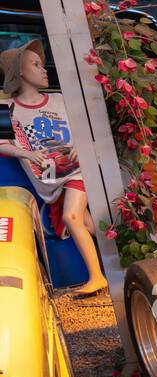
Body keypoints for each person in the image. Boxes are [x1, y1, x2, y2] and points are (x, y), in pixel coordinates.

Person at [0, 40, 108, 296]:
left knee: (72, 217)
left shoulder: (60, 100)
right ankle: (122, 261)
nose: (44, 68)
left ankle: (98, 278)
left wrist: (82, 146)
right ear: (20, 73)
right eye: (35, 64)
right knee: (88, 225)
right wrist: (25, 151)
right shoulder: (9, 110)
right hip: (48, 180)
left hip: (77, 170)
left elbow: (86, 129)